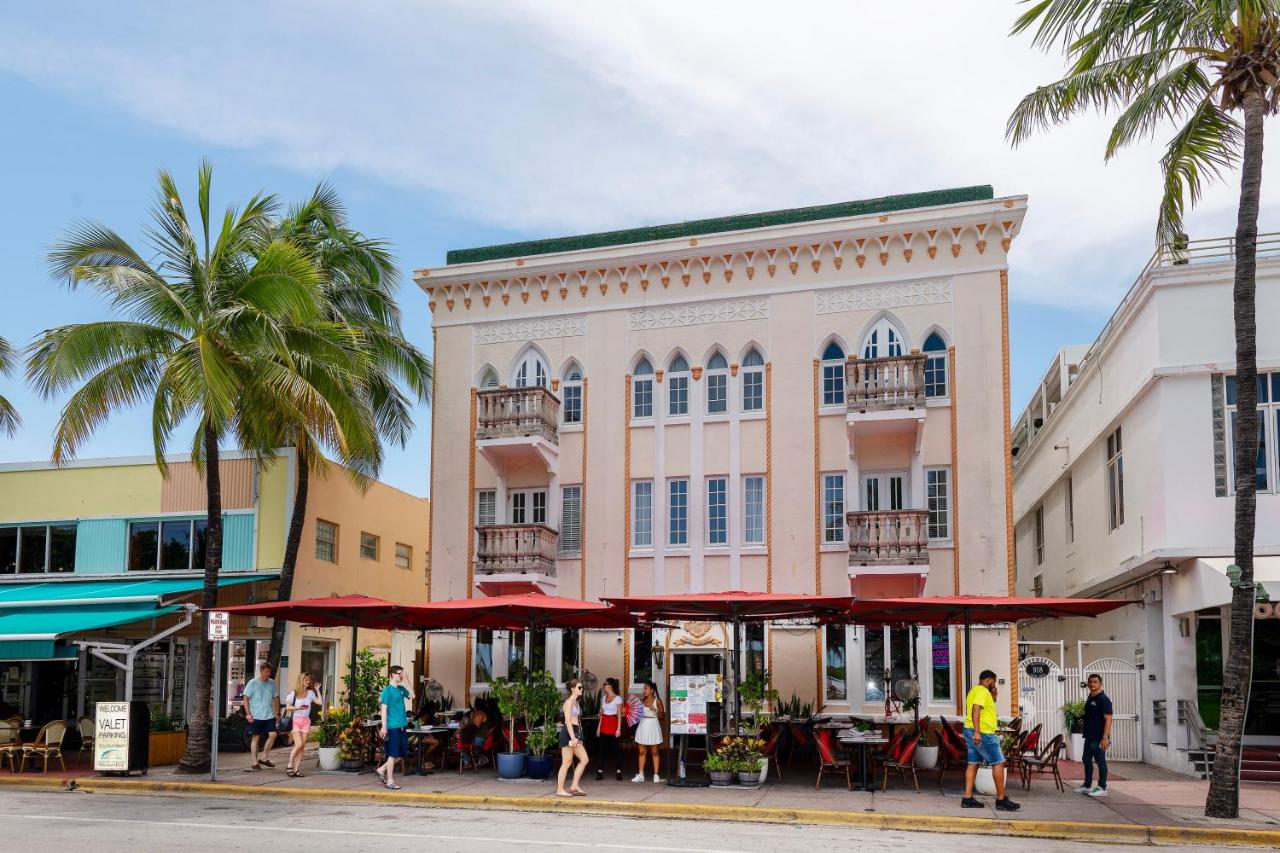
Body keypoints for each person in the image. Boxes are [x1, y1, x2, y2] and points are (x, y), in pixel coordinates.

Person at [960, 669, 1020, 811]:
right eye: (993, 682)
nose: (994, 685)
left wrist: (993, 695)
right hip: (983, 733)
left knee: (973, 763)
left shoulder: (974, 691)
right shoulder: (982, 691)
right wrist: (977, 732)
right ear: (988, 680)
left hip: (970, 730)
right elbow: (976, 709)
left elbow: (983, 708)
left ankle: (967, 798)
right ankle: (1001, 800)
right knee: (998, 762)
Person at [1076, 673, 1114, 797]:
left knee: (1100, 762)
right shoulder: (1090, 697)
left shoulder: (1103, 699)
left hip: (1099, 737)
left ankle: (1102, 787)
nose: (1092, 684)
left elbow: (1108, 719)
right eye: (1090, 682)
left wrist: (1105, 738)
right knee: (1086, 759)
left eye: (1095, 682)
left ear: (1100, 683)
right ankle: (1087, 785)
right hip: (1089, 735)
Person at [376, 665, 413, 790]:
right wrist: (384, 727)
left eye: (402, 673)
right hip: (392, 727)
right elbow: (384, 709)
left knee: (401, 753)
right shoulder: (387, 690)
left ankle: (382, 769)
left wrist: (407, 681)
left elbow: (413, 696)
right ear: (392, 675)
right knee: (392, 754)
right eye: (399, 673)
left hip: (402, 726)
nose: (401, 675)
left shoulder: (401, 689)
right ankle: (390, 781)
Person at [241, 662, 280, 771]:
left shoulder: (272, 683)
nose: (268, 673)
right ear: (261, 671)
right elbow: (246, 699)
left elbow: (276, 698)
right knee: (256, 738)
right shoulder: (252, 683)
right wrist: (248, 713)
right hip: (256, 715)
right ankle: (254, 762)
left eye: (269, 672)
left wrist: (277, 713)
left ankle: (264, 757)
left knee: (273, 735)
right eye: (266, 671)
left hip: (269, 715)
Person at [282, 672, 322, 777]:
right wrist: (298, 708)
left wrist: (317, 689)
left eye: (309, 680)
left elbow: (320, 702)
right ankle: (290, 764)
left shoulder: (310, 693)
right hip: (296, 720)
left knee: (302, 747)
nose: (308, 682)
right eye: (306, 680)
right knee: (298, 744)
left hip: (306, 721)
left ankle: (296, 770)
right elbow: (288, 707)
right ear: (301, 680)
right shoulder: (294, 693)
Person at [555, 678, 589, 797]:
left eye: (582, 687)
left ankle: (574, 785)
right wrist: (573, 738)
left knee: (584, 759)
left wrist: (578, 734)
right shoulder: (568, 703)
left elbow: (576, 720)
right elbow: (568, 721)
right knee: (567, 762)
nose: (581, 689)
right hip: (568, 733)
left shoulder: (577, 702)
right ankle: (560, 789)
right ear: (573, 689)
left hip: (575, 732)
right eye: (579, 687)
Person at [632, 681, 665, 784]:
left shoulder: (657, 701)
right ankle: (641, 774)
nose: (644, 690)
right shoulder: (641, 701)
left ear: (652, 690)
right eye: (643, 688)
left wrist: (655, 710)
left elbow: (662, 716)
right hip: (642, 725)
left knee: (654, 751)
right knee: (641, 751)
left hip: (653, 725)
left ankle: (656, 775)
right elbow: (635, 715)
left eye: (646, 688)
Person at [595, 677, 624, 781]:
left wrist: (619, 729)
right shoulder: (603, 698)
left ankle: (619, 771)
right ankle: (600, 771)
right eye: (604, 684)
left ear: (610, 686)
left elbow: (619, 715)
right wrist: (598, 728)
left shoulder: (618, 699)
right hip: (604, 725)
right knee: (602, 750)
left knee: (616, 750)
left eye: (605, 684)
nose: (604, 686)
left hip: (613, 724)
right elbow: (601, 713)